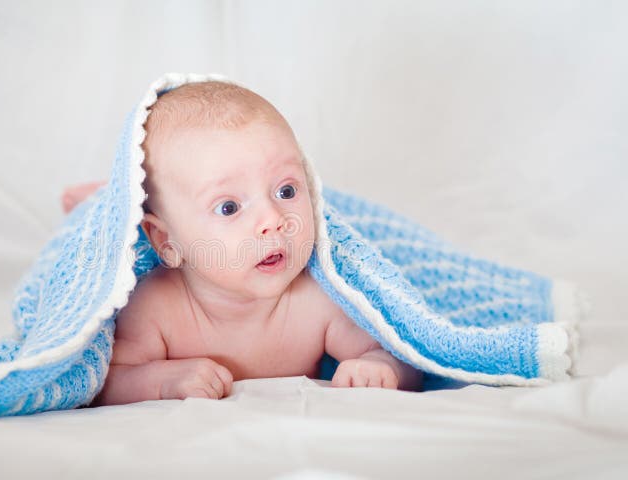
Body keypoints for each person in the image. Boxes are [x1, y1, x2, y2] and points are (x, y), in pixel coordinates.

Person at [63, 81, 423, 406]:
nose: (272, 220)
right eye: (229, 207)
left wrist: (380, 367)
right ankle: (96, 199)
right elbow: (101, 382)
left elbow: (405, 352)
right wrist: (161, 380)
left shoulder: (315, 301)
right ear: (166, 242)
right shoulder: (157, 308)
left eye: (286, 190)